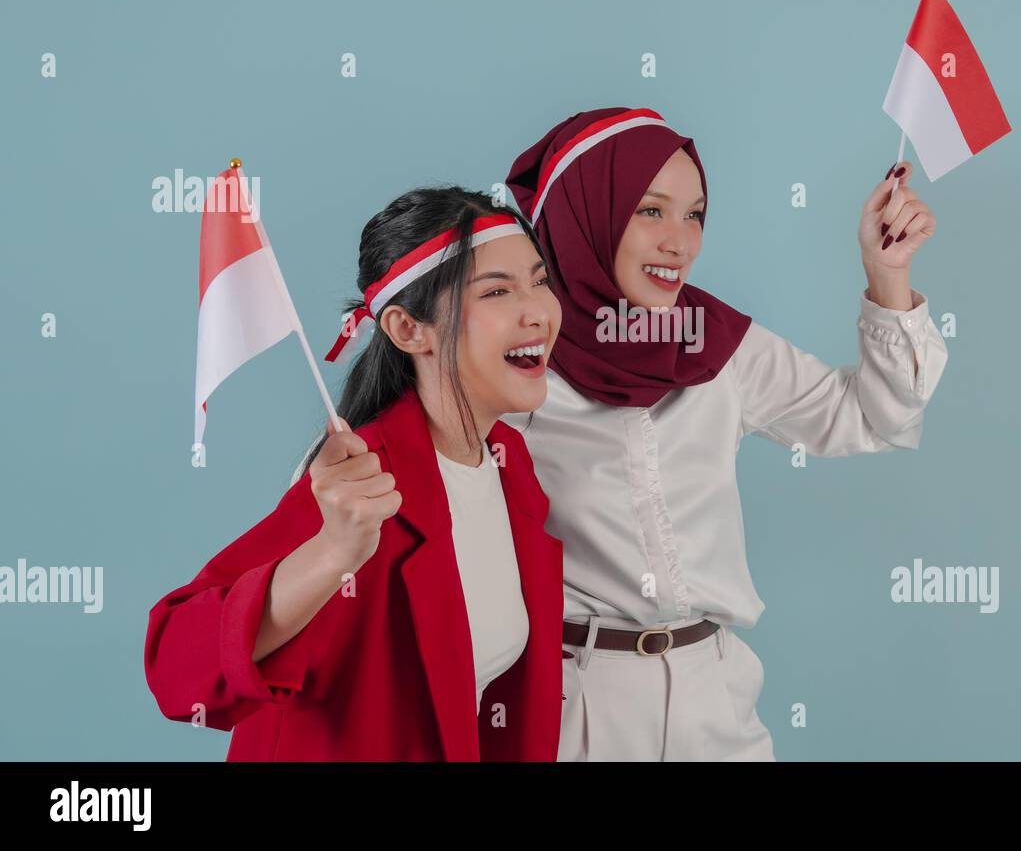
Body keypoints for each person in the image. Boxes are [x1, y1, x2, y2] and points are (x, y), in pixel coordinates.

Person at [499, 107, 949, 760]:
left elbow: (875, 418)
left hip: (716, 700)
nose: (680, 241)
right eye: (650, 211)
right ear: (585, 211)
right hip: (578, 708)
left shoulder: (718, 346)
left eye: (696, 215)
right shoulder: (512, 361)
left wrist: (887, 276)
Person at [145, 187, 564, 760]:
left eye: (539, 281)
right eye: (496, 291)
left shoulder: (509, 466)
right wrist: (331, 553)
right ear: (408, 329)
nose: (538, 310)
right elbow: (178, 670)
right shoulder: (356, 486)